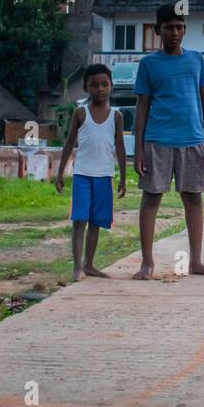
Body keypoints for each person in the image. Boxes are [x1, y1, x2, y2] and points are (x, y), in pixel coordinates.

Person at [133, 3, 204, 280]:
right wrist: (139, 149)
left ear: (185, 30)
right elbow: (142, 106)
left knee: (193, 199)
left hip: (192, 140)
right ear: (158, 30)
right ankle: (147, 263)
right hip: (157, 141)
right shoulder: (149, 64)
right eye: (169, 27)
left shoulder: (196, 59)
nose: (175, 32)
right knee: (151, 199)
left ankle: (196, 261)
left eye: (179, 27)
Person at [55, 64, 127, 280]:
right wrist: (59, 173)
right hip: (83, 175)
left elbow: (120, 147)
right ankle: (77, 266)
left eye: (104, 84)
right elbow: (69, 143)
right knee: (80, 220)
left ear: (111, 86)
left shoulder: (116, 116)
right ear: (86, 87)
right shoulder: (80, 113)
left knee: (97, 222)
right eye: (94, 85)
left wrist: (123, 177)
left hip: (105, 176)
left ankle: (90, 264)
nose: (100, 89)